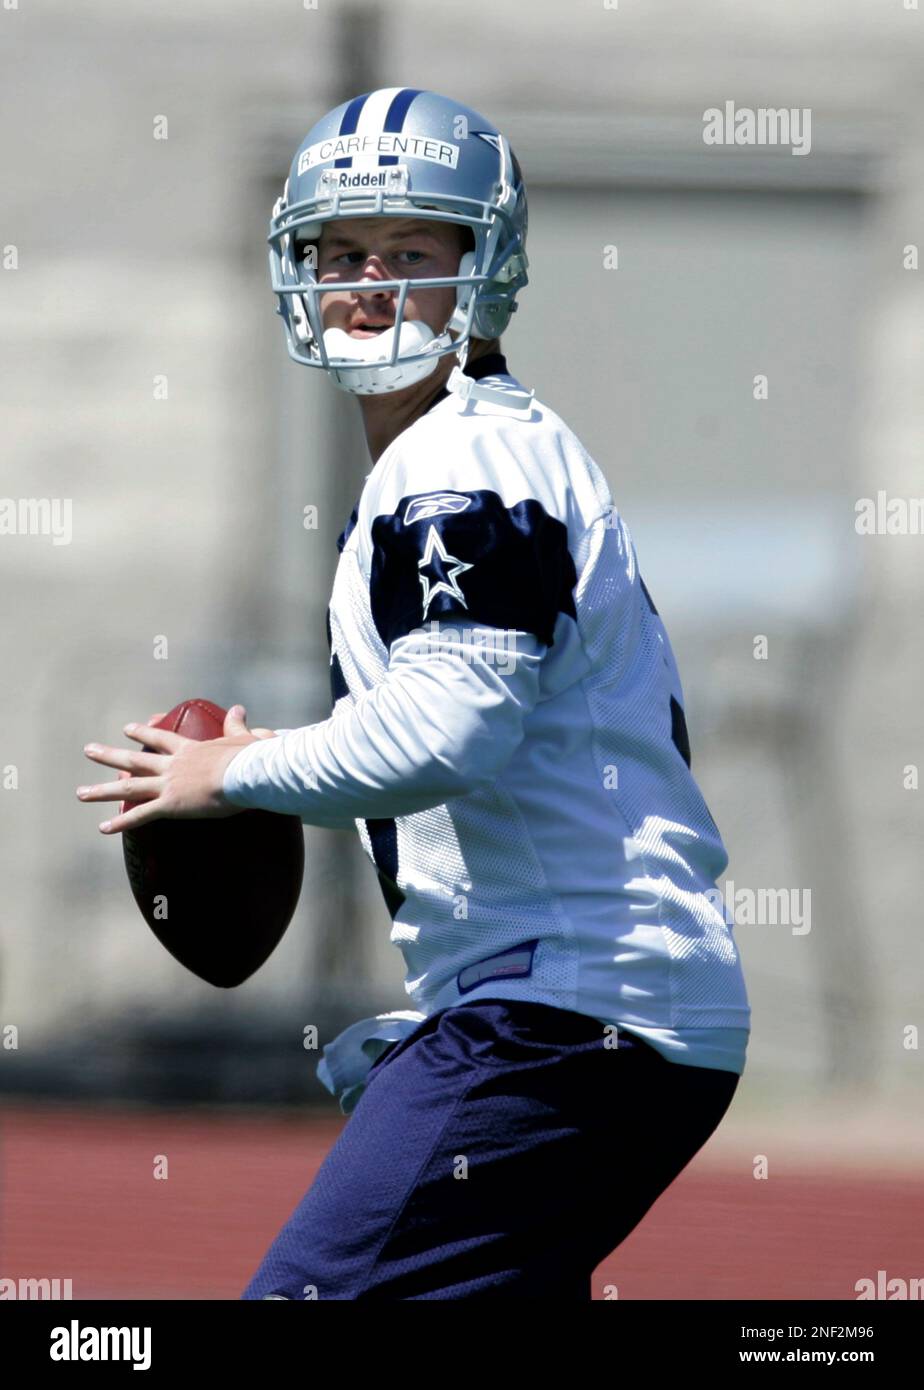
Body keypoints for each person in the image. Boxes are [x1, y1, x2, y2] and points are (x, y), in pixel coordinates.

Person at [77, 88, 750, 1300]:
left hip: (566, 1014)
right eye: (341, 252)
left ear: (481, 269)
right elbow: (464, 718)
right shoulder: (457, 452)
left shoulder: (458, 460)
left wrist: (230, 768)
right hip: (579, 1007)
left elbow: (454, 730)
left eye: (409, 250)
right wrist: (293, 747)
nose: (368, 278)